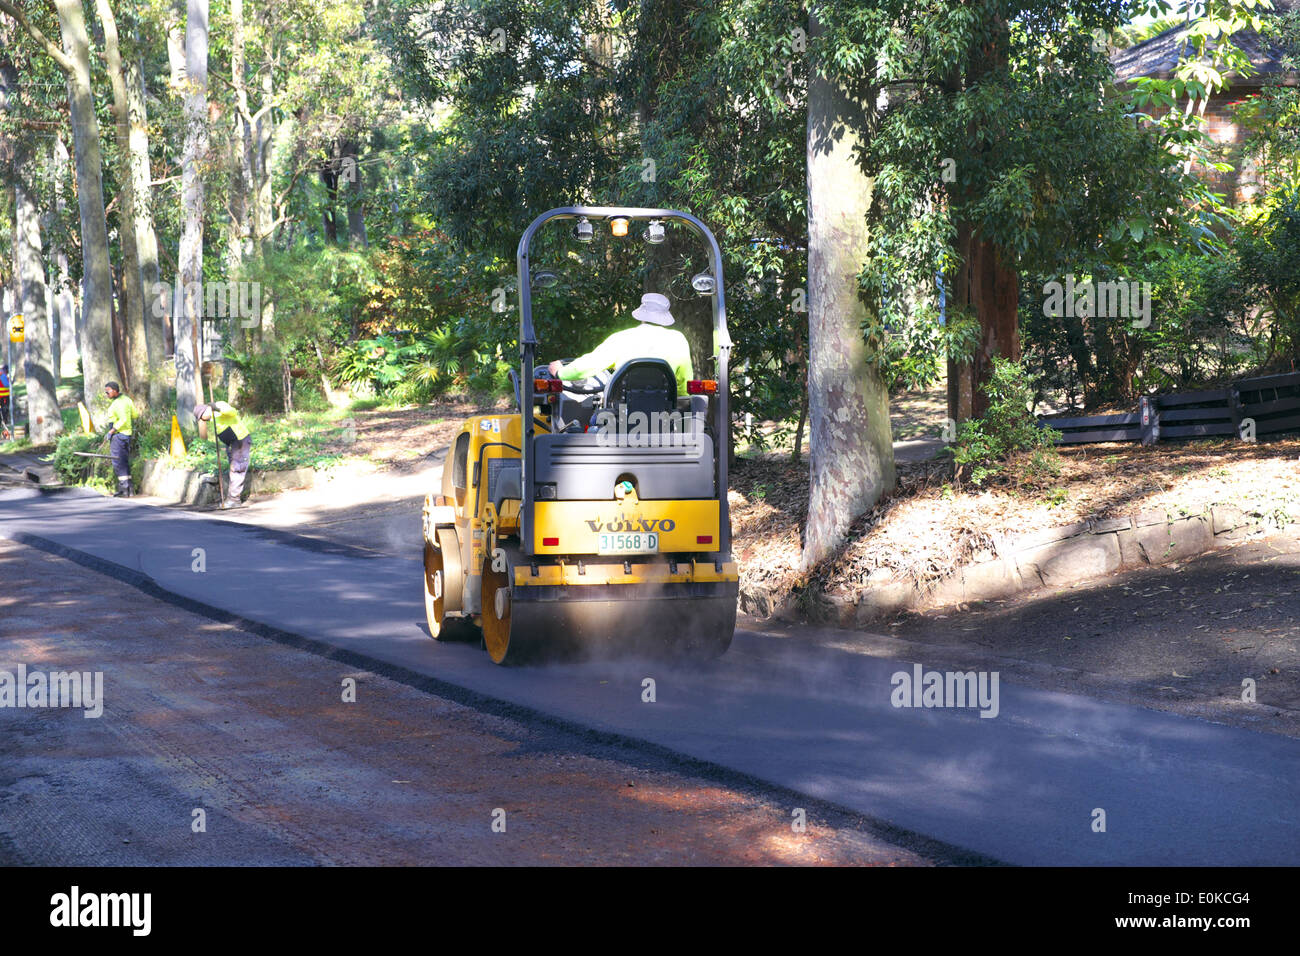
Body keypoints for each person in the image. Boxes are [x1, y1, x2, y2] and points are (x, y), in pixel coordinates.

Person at [548, 292, 694, 394]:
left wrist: (560, 373)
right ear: (665, 317)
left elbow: (588, 366)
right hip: (665, 416)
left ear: (641, 316)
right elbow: (683, 383)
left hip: (622, 418)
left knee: (590, 424)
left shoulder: (623, 338)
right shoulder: (678, 340)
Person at [194, 401, 252, 509]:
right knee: (233, 468)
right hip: (232, 444)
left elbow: (233, 412)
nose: (203, 420)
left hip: (240, 440)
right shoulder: (212, 419)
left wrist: (217, 408)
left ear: (205, 410)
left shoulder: (219, 405)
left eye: (202, 417)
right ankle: (232, 498)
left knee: (237, 469)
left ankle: (234, 499)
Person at [102, 381, 136, 497]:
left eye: (108, 391)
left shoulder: (118, 403)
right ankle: (129, 489)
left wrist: (112, 431)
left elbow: (123, 420)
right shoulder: (127, 400)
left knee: (118, 462)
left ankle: (124, 489)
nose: (106, 393)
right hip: (127, 434)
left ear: (115, 390)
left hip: (118, 435)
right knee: (124, 462)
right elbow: (134, 415)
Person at [0, 365, 11, 433]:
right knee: (5, 409)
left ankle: (2, 422)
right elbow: (6, 385)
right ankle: (5, 422)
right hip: (4, 396)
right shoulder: (3, 376)